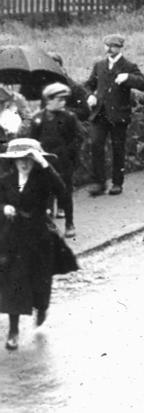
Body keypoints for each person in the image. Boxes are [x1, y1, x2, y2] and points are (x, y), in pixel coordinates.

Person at [0, 139, 79, 351]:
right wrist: (4, 207)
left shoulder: (43, 179)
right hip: (14, 238)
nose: (24, 164)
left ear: (35, 160)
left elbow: (62, 192)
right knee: (14, 282)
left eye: (29, 159)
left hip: (39, 237)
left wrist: (44, 164)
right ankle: (14, 331)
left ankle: (42, 309)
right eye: (20, 160)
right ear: (14, 161)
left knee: (41, 282)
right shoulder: (7, 180)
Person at [84, 34, 144, 196]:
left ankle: (117, 182)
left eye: (113, 46)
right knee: (96, 144)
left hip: (118, 114)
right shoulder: (99, 65)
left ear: (120, 48)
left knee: (118, 148)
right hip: (100, 114)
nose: (109, 49)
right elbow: (88, 85)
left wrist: (128, 78)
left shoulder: (128, 65)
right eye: (107, 45)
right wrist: (89, 96)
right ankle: (98, 182)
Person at [23, 83, 88, 238]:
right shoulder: (38, 119)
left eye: (64, 100)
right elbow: (33, 140)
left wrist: (70, 155)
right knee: (44, 193)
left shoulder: (69, 118)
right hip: (44, 160)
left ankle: (69, 223)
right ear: (49, 100)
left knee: (65, 192)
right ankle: (48, 225)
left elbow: (77, 137)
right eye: (59, 100)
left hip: (63, 161)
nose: (63, 103)